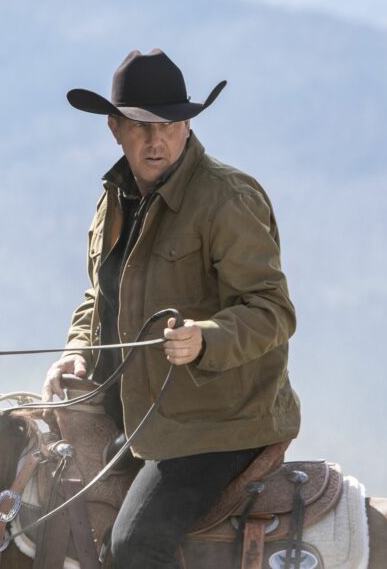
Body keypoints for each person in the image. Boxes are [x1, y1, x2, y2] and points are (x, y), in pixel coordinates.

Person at [42, 49, 300, 569]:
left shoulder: (227, 198)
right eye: (140, 124)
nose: (155, 139)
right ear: (115, 128)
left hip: (216, 424)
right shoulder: (114, 198)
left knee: (134, 546)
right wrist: (76, 351)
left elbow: (273, 310)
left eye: (171, 123)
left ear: (187, 126)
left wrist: (207, 337)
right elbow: (99, 295)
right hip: (132, 412)